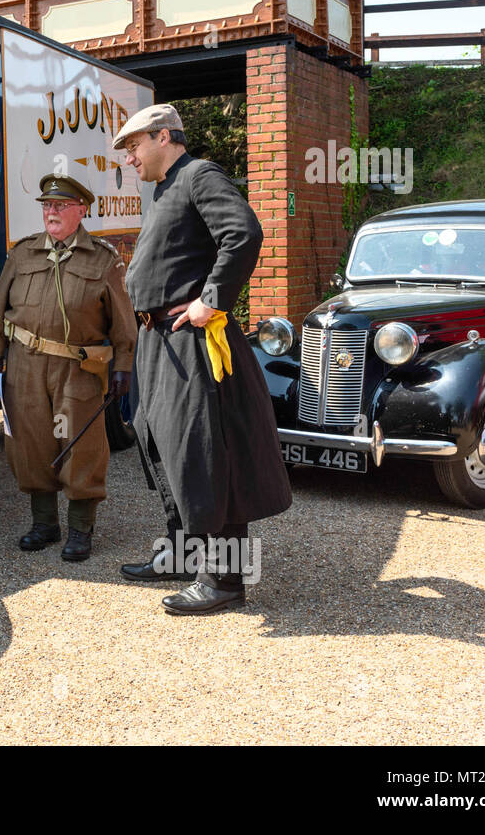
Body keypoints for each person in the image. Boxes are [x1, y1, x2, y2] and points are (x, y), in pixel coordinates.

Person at [112, 104, 292, 614]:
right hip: (158, 342)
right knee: (163, 447)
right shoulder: (165, 187)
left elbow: (243, 233)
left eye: (134, 146)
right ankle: (180, 555)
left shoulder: (199, 175)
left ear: (164, 136)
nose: (129, 157)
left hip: (191, 341)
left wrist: (210, 300)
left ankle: (223, 581)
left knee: (207, 454)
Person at [0, 174, 137, 562]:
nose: (51, 212)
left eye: (60, 206)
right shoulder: (23, 254)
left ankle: (81, 530)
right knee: (29, 443)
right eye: (47, 206)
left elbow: (123, 323)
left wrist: (123, 369)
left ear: (81, 211)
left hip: (78, 368)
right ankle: (45, 524)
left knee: (82, 447)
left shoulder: (104, 259)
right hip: (25, 366)